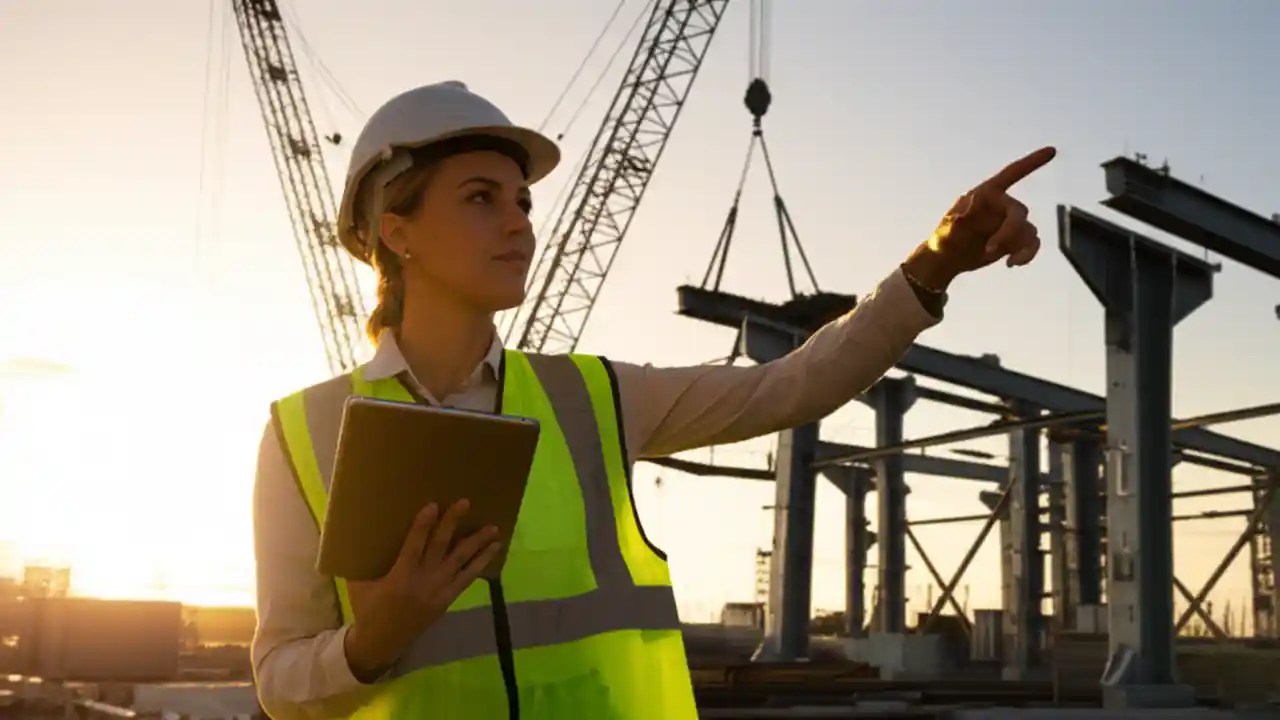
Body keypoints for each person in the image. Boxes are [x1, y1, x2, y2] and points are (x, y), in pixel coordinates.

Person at [251, 80, 1053, 719]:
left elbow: (794, 384)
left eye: (523, 202)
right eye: (480, 198)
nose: (520, 225)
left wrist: (934, 264)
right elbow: (280, 680)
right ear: (398, 232)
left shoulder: (590, 396)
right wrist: (370, 643)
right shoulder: (305, 431)